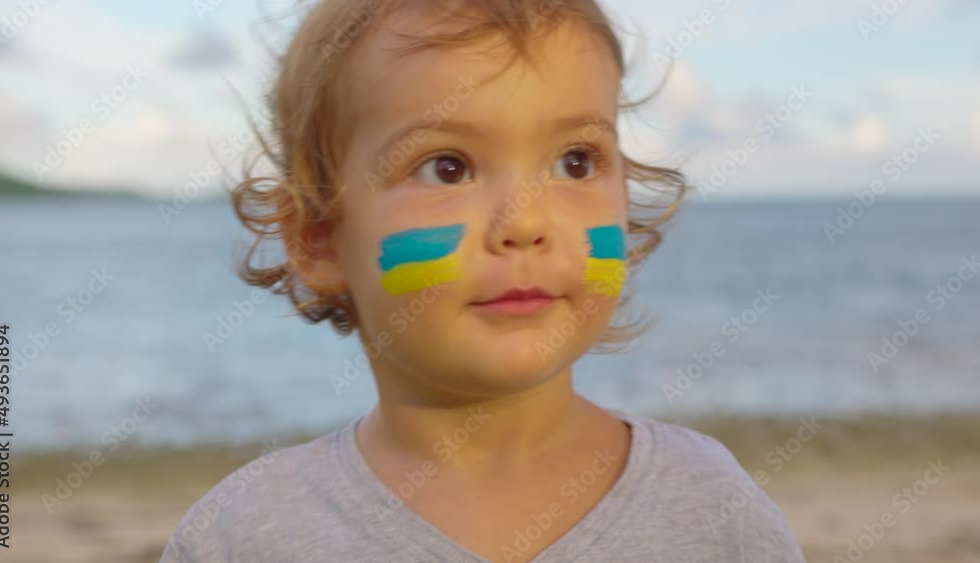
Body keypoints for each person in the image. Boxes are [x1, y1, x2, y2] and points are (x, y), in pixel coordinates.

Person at [162, 0, 806, 561]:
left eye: (575, 162)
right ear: (319, 238)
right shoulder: (245, 535)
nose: (524, 222)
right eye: (447, 168)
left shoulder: (713, 510)